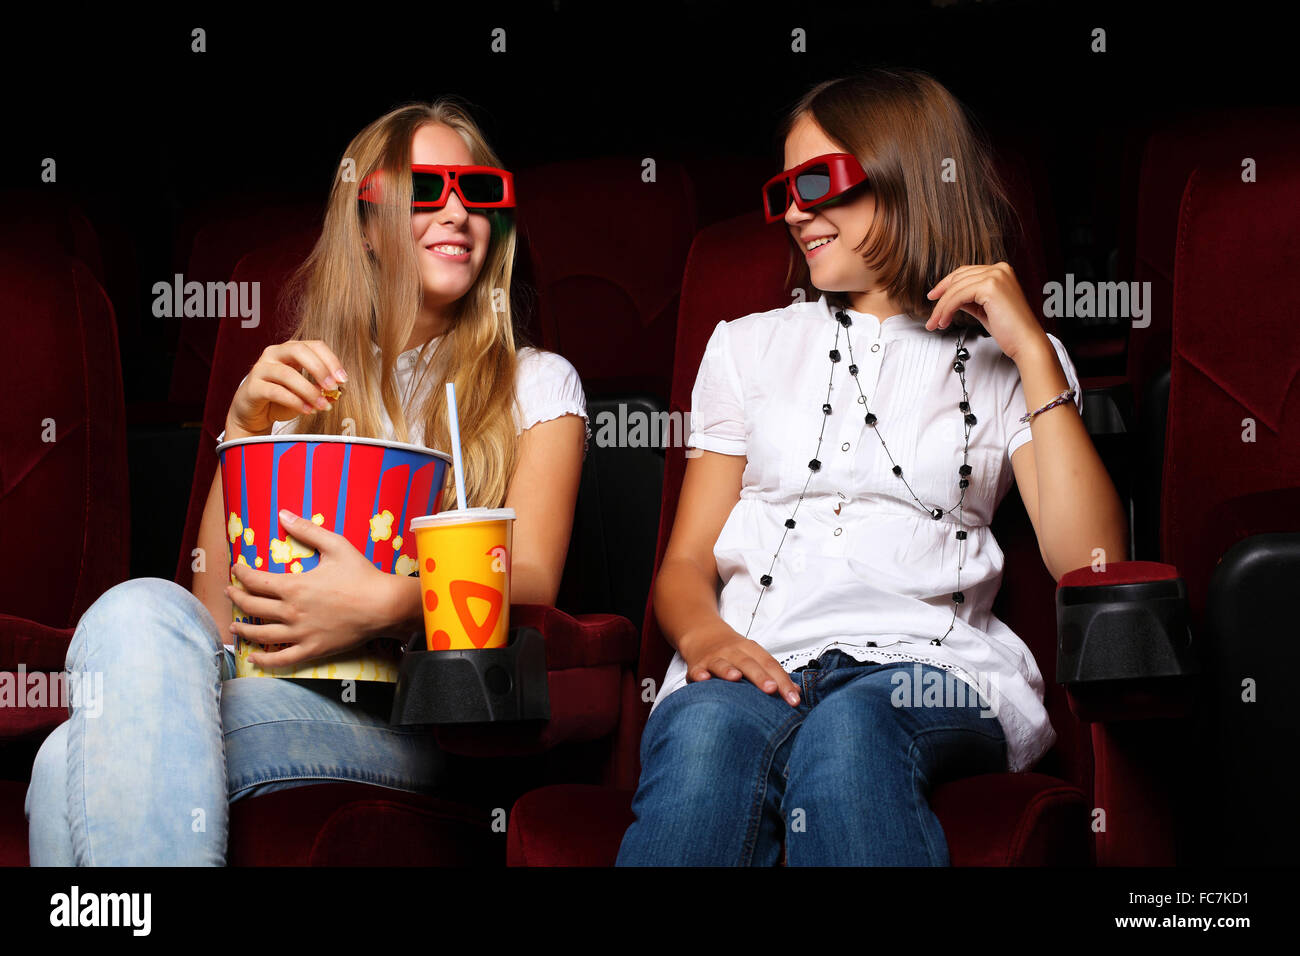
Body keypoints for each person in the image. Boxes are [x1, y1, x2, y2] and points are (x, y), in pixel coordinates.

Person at [25, 98, 590, 865]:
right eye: (425, 190)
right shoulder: (304, 387)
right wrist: (244, 427)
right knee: (137, 607)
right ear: (366, 225)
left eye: (478, 191)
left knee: (68, 759)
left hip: (407, 714)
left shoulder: (536, 383)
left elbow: (532, 577)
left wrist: (384, 603)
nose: (457, 211)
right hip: (265, 680)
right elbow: (212, 616)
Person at [616, 69, 1127, 866]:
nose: (793, 210)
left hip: (924, 669)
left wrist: (1030, 348)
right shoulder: (745, 345)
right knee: (703, 732)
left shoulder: (1017, 361)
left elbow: (1092, 559)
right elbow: (684, 562)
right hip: (759, 655)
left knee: (851, 732)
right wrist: (707, 635)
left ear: (904, 175)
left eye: (818, 181)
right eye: (783, 188)